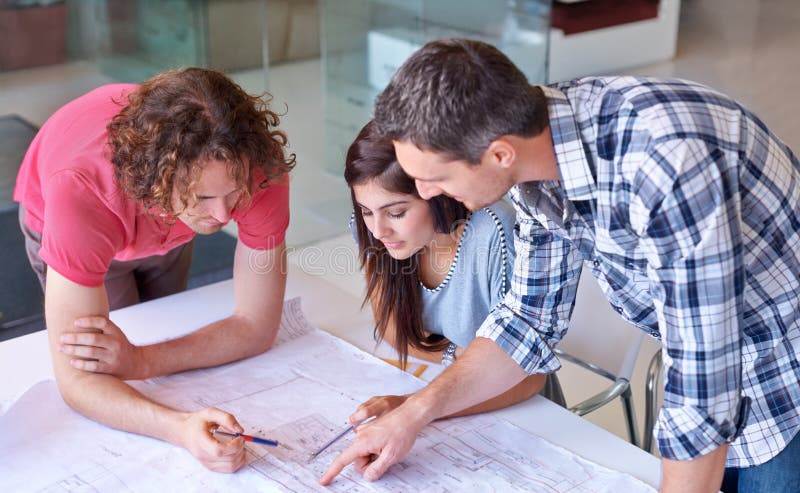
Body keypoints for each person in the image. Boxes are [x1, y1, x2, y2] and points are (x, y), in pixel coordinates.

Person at [320, 39, 800, 493]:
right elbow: (526, 321)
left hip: (781, 360)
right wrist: (412, 415)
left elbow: (704, 378)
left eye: (434, 179)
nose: (425, 194)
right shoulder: (534, 156)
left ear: (498, 153)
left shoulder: (663, 164)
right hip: (719, 357)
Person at [14, 68, 293, 473]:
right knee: (109, 359)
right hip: (82, 220)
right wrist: (181, 429)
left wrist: (141, 361)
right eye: (203, 197)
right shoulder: (81, 192)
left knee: (152, 339)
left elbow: (256, 327)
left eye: (234, 192)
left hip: (165, 226)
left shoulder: (258, 169)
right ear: (158, 182)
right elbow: (78, 382)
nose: (223, 215)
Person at [344, 121, 562, 425]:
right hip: (445, 398)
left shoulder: (495, 235)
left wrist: (413, 409)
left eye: (396, 213)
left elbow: (527, 377)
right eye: (366, 211)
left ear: (436, 193)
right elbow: (392, 329)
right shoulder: (381, 232)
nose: (378, 229)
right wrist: (454, 357)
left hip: (521, 415)